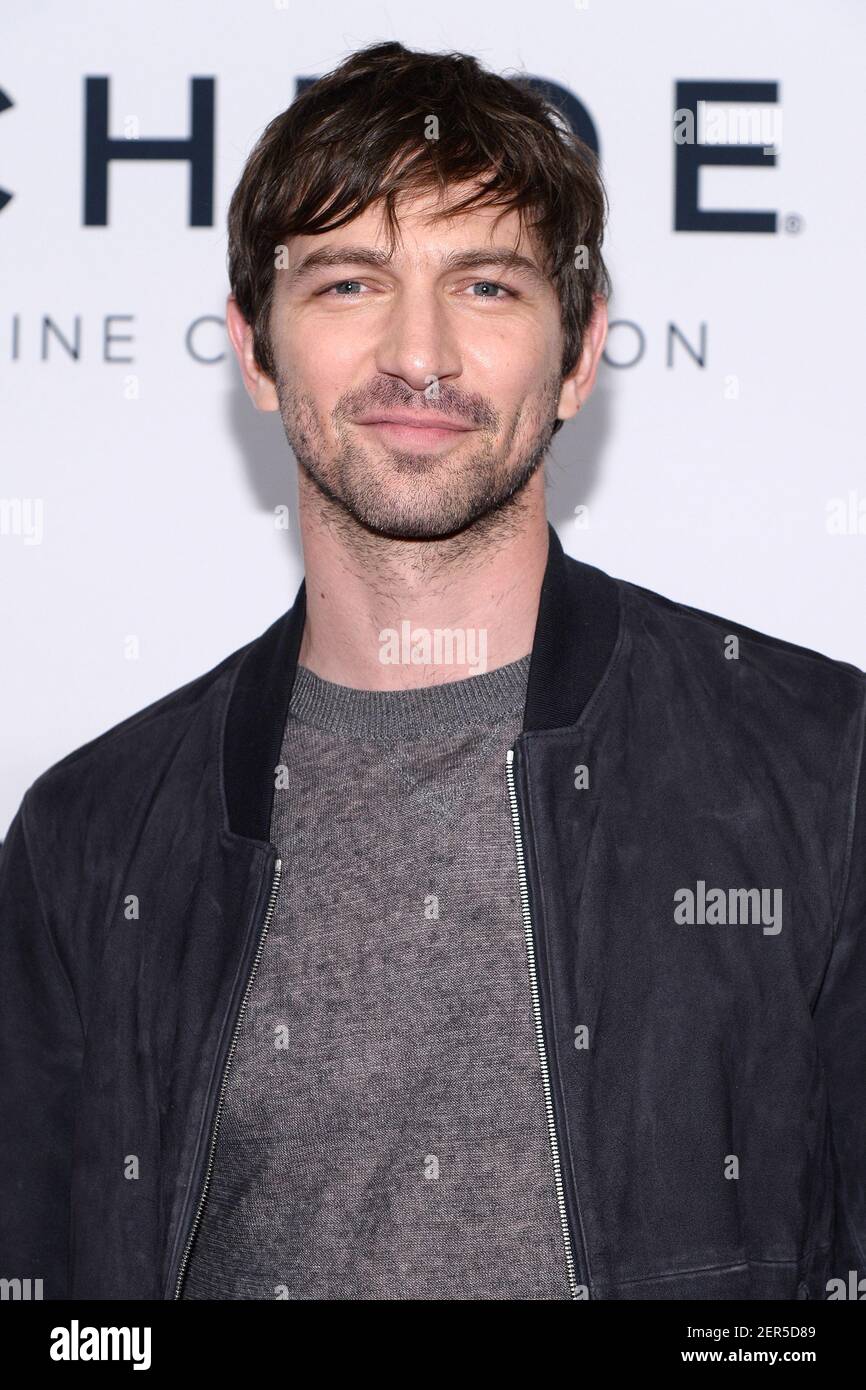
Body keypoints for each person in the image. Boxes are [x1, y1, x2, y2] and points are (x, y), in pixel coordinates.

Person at [1, 40, 863, 1302]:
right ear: (252, 349)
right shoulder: (90, 838)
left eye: (486, 287)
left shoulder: (822, 771)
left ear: (577, 356)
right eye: (348, 284)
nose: (420, 355)